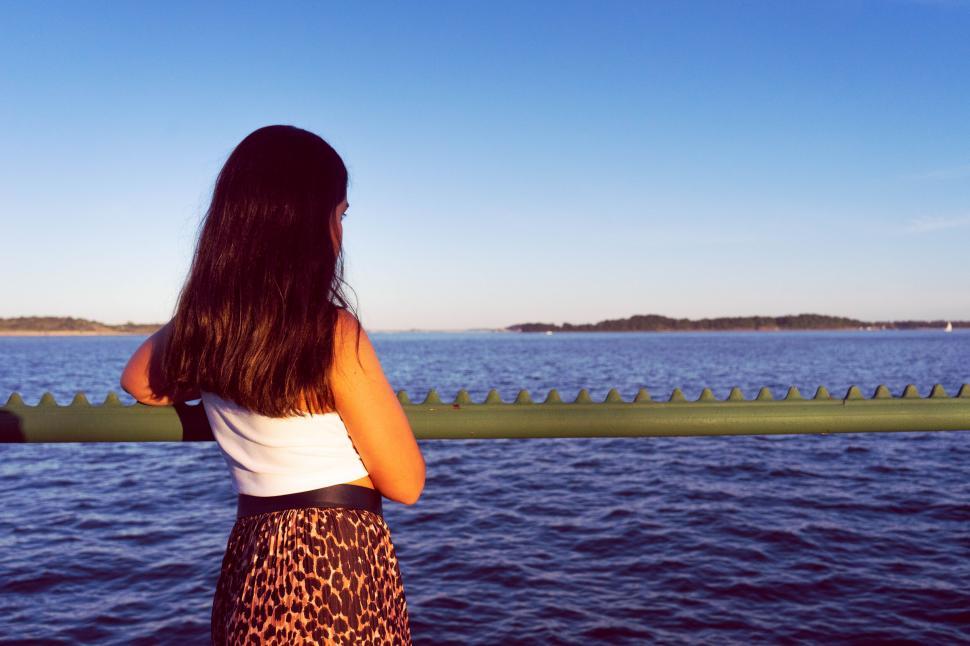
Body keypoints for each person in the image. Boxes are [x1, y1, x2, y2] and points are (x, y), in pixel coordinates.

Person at [119, 124, 426, 644]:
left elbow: (140, 382)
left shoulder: (211, 330)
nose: (341, 229)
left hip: (255, 556)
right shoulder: (330, 333)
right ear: (309, 222)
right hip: (337, 561)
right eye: (341, 213)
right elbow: (406, 482)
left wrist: (214, 316)